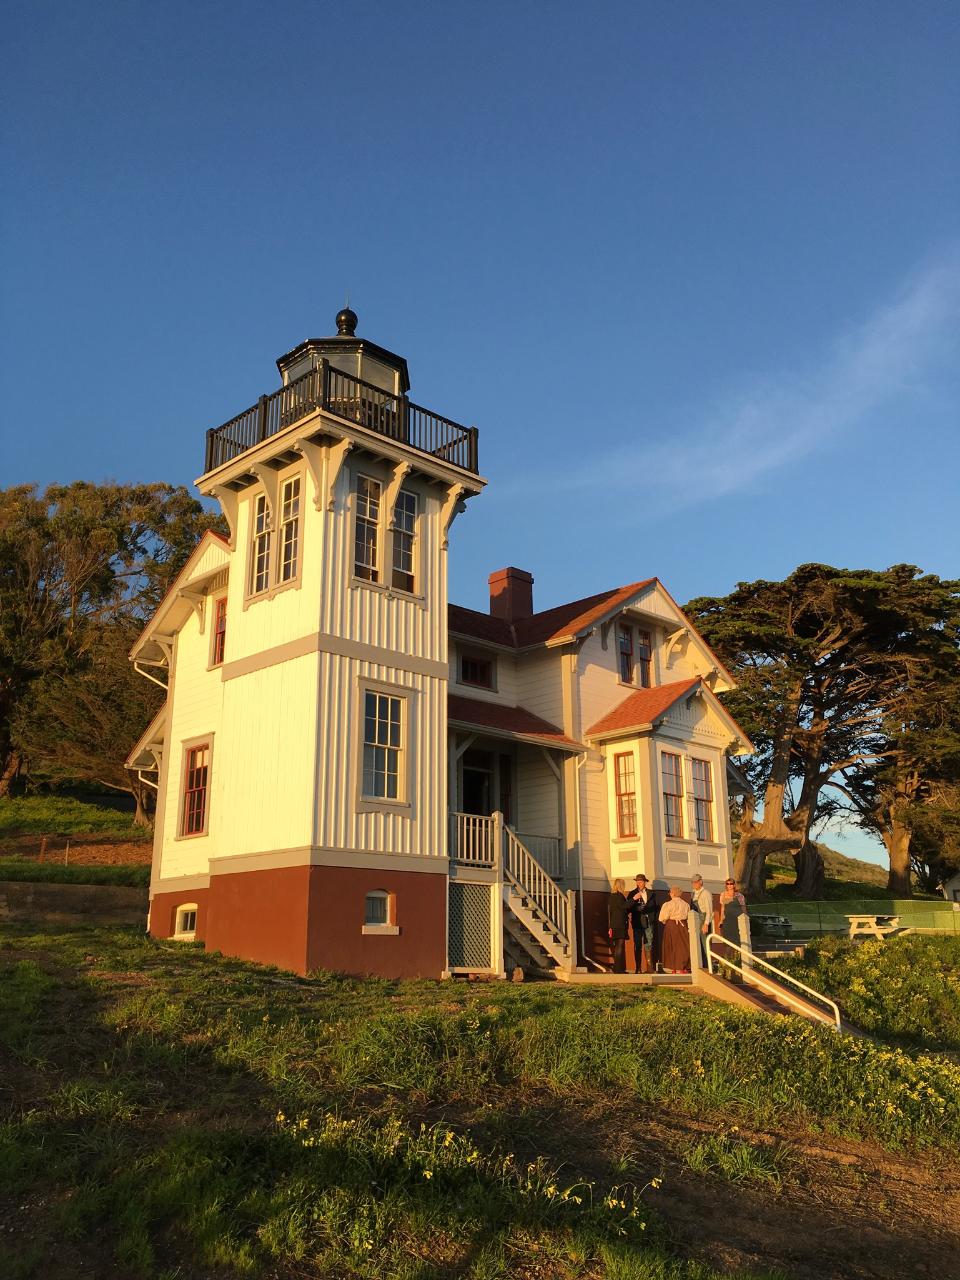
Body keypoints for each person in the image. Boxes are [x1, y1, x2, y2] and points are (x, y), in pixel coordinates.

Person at [626, 873, 657, 973]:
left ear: (645, 882)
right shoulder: (632, 893)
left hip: (648, 921)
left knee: (649, 943)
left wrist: (652, 916)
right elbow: (628, 907)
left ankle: (649, 967)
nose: (639, 884)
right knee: (638, 944)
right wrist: (636, 908)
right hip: (637, 921)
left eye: (641, 882)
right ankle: (638, 968)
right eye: (638, 882)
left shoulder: (651, 893)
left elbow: (655, 907)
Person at [657, 886, 690, 973]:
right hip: (683, 926)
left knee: (671, 946)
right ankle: (682, 968)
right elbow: (687, 916)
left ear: (673, 893)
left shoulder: (668, 904)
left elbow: (662, 918)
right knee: (683, 947)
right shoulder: (686, 904)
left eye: (670, 893)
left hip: (671, 926)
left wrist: (666, 921)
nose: (670, 894)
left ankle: (674, 968)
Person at [607, 878, 630, 973]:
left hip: (613, 924)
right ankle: (618, 968)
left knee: (616, 946)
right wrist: (634, 899)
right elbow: (624, 906)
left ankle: (617, 967)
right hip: (620, 925)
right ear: (621, 886)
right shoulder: (620, 896)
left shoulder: (611, 897)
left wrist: (610, 926)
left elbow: (610, 912)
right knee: (619, 947)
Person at [690, 873, 713, 965]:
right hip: (695, 920)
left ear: (701, 882)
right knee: (697, 944)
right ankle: (699, 964)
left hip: (703, 920)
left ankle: (708, 965)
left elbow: (709, 911)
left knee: (705, 944)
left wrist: (706, 924)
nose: (694, 884)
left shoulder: (706, 893)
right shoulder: (693, 893)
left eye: (696, 882)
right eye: (692, 882)